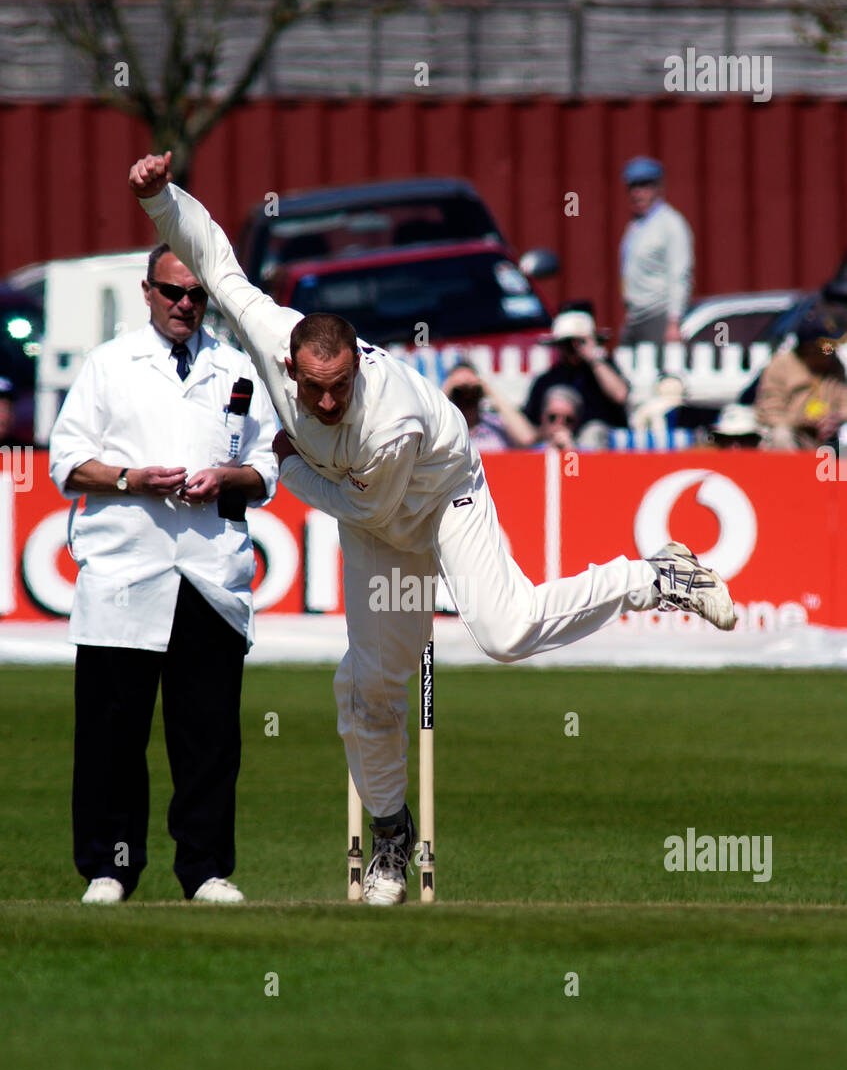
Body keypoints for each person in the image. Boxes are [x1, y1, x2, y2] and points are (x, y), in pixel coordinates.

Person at [129, 151, 737, 909]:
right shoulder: (271, 330)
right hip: (368, 508)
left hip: (439, 495)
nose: (324, 405)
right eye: (313, 392)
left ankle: (658, 576)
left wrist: (285, 469)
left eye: (338, 390)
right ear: (290, 363)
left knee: (505, 632)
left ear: (356, 370)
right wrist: (160, 200)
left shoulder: (390, 418)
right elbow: (215, 258)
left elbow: (370, 511)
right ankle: (390, 837)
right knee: (368, 691)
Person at [48, 242, 279, 906]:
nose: (184, 305)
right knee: (112, 735)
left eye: (195, 294)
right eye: (172, 292)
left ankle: (204, 869)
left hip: (208, 572)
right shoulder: (110, 365)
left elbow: (265, 467)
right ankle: (109, 869)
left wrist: (226, 477)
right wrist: (132, 479)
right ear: (146, 292)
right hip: (124, 569)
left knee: (207, 735)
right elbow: (68, 460)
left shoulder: (236, 368)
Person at [619, 157, 693, 346]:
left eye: (644, 186)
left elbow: (680, 274)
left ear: (658, 189)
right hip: (634, 316)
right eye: (632, 187)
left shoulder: (671, 224)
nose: (637, 193)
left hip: (658, 315)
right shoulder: (636, 225)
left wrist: (673, 323)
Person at [754, 312, 847, 450]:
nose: (832, 350)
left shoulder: (834, 364)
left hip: (828, 436)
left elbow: (844, 401)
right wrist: (803, 421)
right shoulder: (781, 365)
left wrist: (836, 419)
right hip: (794, 435)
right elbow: (769, 412)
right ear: (809, 348)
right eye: (827, 346)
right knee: (781, 435)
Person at [523, 310, 629, 431]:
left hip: (597, 445)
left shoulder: (604, 370)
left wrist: (594, 359)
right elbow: (530, 429)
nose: (574, 347)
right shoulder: (546, 381)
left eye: (580, 342)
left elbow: (620, 395)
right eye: (567, 342)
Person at [441, 360, 536, 451]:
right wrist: (448, 388)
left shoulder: (496, 424)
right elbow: (428, 427)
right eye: (459, 390)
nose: (466, 393)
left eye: (472, 389)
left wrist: (489, 390)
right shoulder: (443, 427)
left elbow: (527, 439)